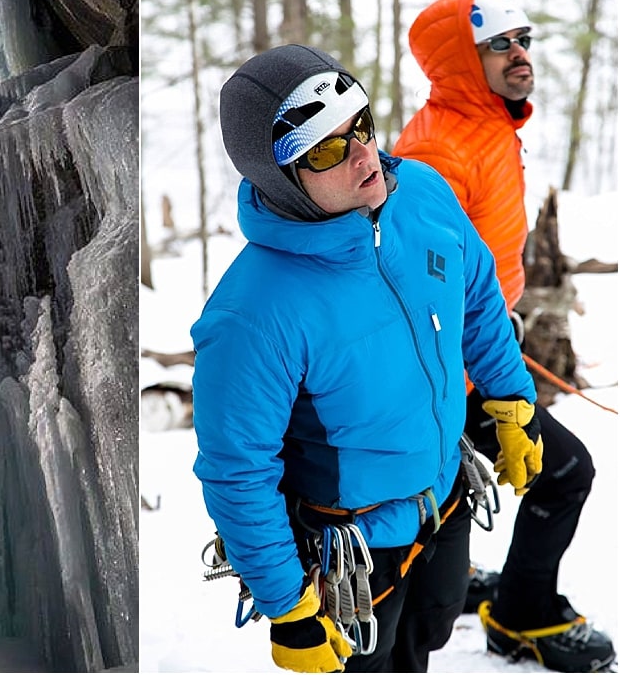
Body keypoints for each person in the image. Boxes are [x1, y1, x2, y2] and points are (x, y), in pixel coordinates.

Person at [194, 44, 537, 672]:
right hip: (351, 555)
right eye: (326, 148)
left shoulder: (423, 194)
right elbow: (237, 470)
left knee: (427, 638)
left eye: (361, 125)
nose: (363, 155)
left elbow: (479, 292)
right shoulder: (253, 313)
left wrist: (510, 397)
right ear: (279, 177)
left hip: (443, 500)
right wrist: (288, 606)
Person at [395, 0, 611, 672]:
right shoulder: (438, 153)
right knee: (566, 471)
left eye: (524, 39)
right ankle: (522, 613)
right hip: (444, 373)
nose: (521, 54)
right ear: (464, 59)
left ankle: (462, 582)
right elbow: (414, 289)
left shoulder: (483, 126)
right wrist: (472, 377)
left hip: (482, 351)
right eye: (500, 44)